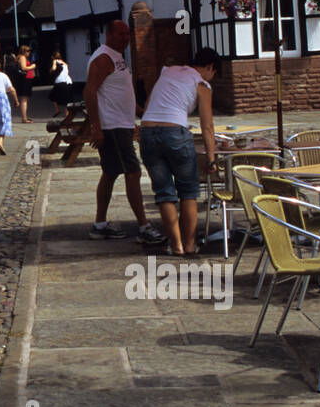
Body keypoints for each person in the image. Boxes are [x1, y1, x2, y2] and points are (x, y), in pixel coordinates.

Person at [138, 48, 220, 257]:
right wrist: (211, 159)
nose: (213, 77)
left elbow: (148, 105)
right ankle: (191, 245)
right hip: (175, 132)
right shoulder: (202, 85)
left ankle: (176, 246)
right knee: (188, 190)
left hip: (148, 132)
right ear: (210, 67)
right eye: (214, 73)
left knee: (164, 192)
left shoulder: (167, 72)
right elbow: (207, 125)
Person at [84, 20, 157, 244]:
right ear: (109, 35)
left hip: (121, 125)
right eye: (120, 34)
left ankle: (100, 225)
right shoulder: (103, 58)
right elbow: (90, 92)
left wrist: (136, 111)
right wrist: (96, 128)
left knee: (110, 173)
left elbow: (117, 92)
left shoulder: (117, 57)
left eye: (127, 34)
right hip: (112, 127)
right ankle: (144, 226)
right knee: (133, 172)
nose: (125, 38)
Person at [14, 45, 36, 123]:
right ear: (24, 51)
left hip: (24, 79)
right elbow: (23, 68)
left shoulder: (19, 57)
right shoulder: (22, 57)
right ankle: (24, 118)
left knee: (25, 99)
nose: (29, 53)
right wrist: (32, 66)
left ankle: (25, 117)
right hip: (25, 79)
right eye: (28, 51)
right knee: (24, 99)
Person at [48, 51, 72, 117]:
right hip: (68, 81)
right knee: (67, 100)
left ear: (53, 57)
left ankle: (57, 110)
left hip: (60, 81)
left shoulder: (55, 61)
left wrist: (51, 70)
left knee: (52, 96)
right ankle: (67, 115)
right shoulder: (65, 63)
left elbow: (53, 68)